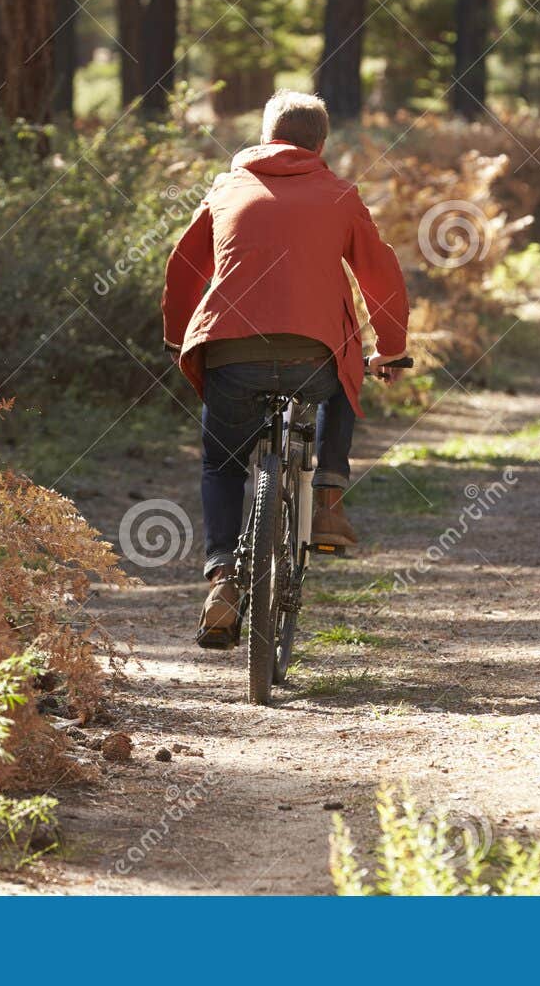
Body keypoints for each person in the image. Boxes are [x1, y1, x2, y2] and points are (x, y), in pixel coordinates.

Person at [161, 89, 411, 649]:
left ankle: (224, 576)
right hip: (313, 358)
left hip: (229, 353)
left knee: (222, 465)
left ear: (265, 136)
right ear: (320, 143)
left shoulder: (227, 188)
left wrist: (181, 336)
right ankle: (328, 499)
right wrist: (390, 349)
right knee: (347, 367)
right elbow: (380, 276)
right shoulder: (340, 195)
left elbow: (182, 268)